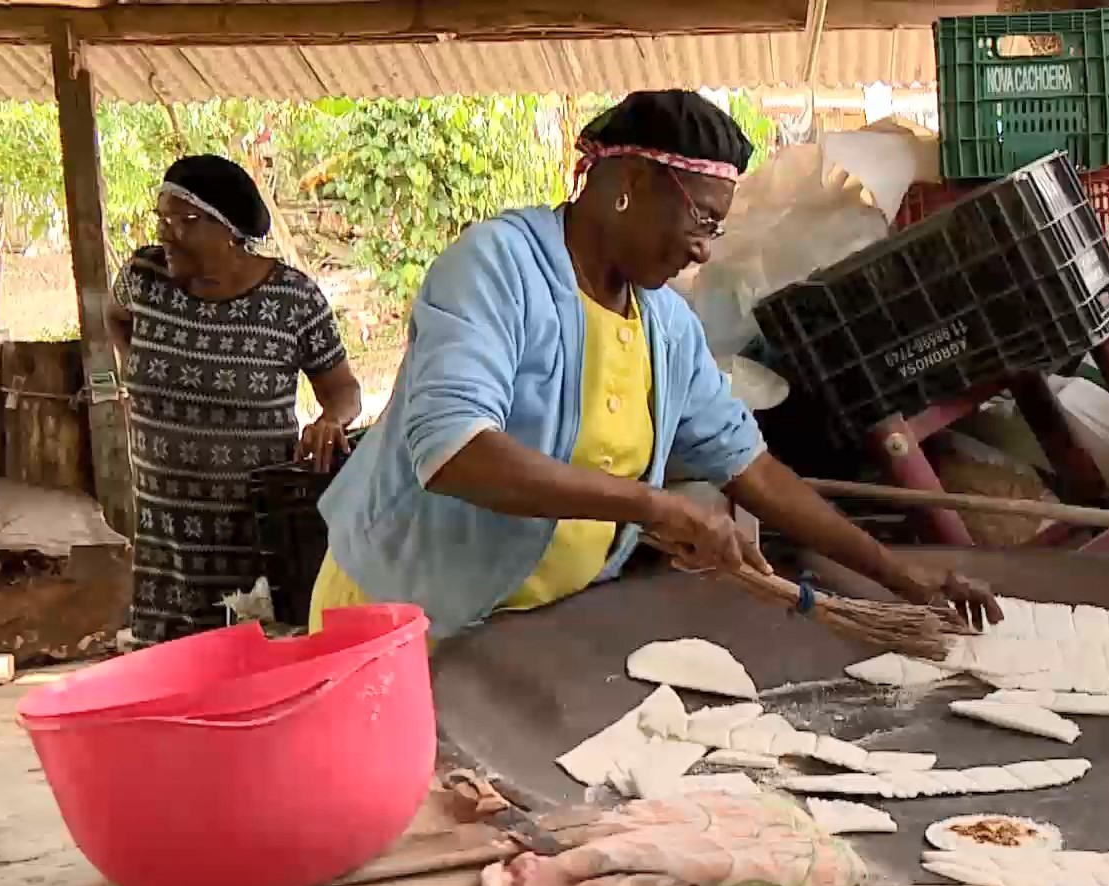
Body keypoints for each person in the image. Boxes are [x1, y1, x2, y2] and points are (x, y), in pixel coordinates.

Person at [312, 90, 999, 640]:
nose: (705, 249)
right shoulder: (497, 267)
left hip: (527, 627)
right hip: (401, 620)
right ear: (633, 184)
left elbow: (754, 470)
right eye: (702, 219)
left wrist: (904, 580)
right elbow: (456, 452)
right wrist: (652, 505)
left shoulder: (665, 324)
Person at [107, 154, 363, 644]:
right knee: (167, 669)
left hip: (251, 538)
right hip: (164, 541)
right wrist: (142, 374)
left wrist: (331, 420)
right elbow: (115, 317)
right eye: (162, 219)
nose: (166, 234)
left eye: (185, 222)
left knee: (250, 660)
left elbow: (343, 389)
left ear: (229, 230)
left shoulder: (292, 299)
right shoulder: (143, 275)